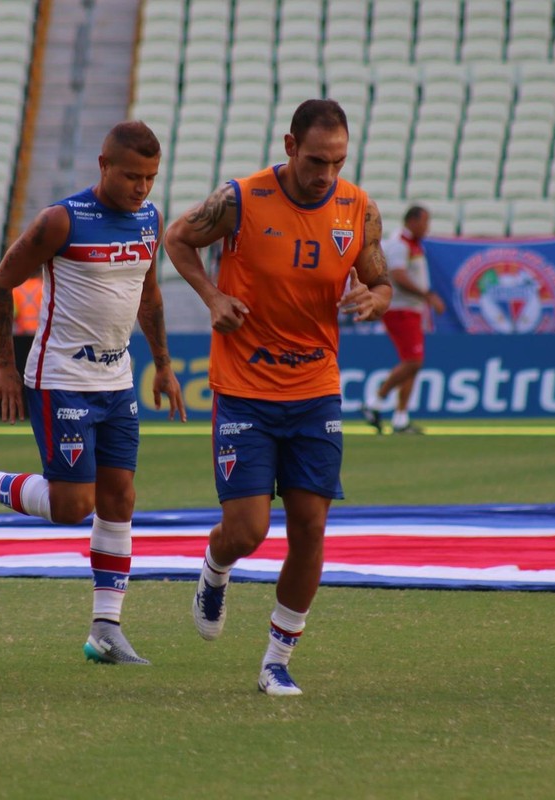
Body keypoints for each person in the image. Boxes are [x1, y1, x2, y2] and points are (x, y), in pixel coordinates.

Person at [162, 99, 392, 696]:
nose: (326, 174)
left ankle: (276, 660)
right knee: (247, 530)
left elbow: (380, 280)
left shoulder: (359, 209)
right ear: (290, 147)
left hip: (316, 390)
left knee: (311, 526)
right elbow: (177, 238)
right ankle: (216, 567)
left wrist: (375, 299)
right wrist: (213, 296)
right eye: (316, 160)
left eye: (338, 161)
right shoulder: (240, 200)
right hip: (246, 388)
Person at [0, 120, 186, 666]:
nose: (142, 187)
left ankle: (106, 630)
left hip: (117, 379)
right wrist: (6, 366)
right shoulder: (62, 220)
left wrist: (163, 365)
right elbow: (0, 283)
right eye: (132, 176)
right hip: (61, 378)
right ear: (104, 165)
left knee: (120, 497)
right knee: (73, 506)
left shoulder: (149, 219)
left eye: (150, 177)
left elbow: (149, 295)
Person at [362, 205, 445, 435]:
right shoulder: (399, 243)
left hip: (411, 310)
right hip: (400, 309)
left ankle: (400, 418)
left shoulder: (412, 244)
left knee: (412, 364)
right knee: (413, 361)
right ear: (413, 221)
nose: (427, 227)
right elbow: (398, 276)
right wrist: (427, 295)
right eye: (425, 222)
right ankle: (374, 402)